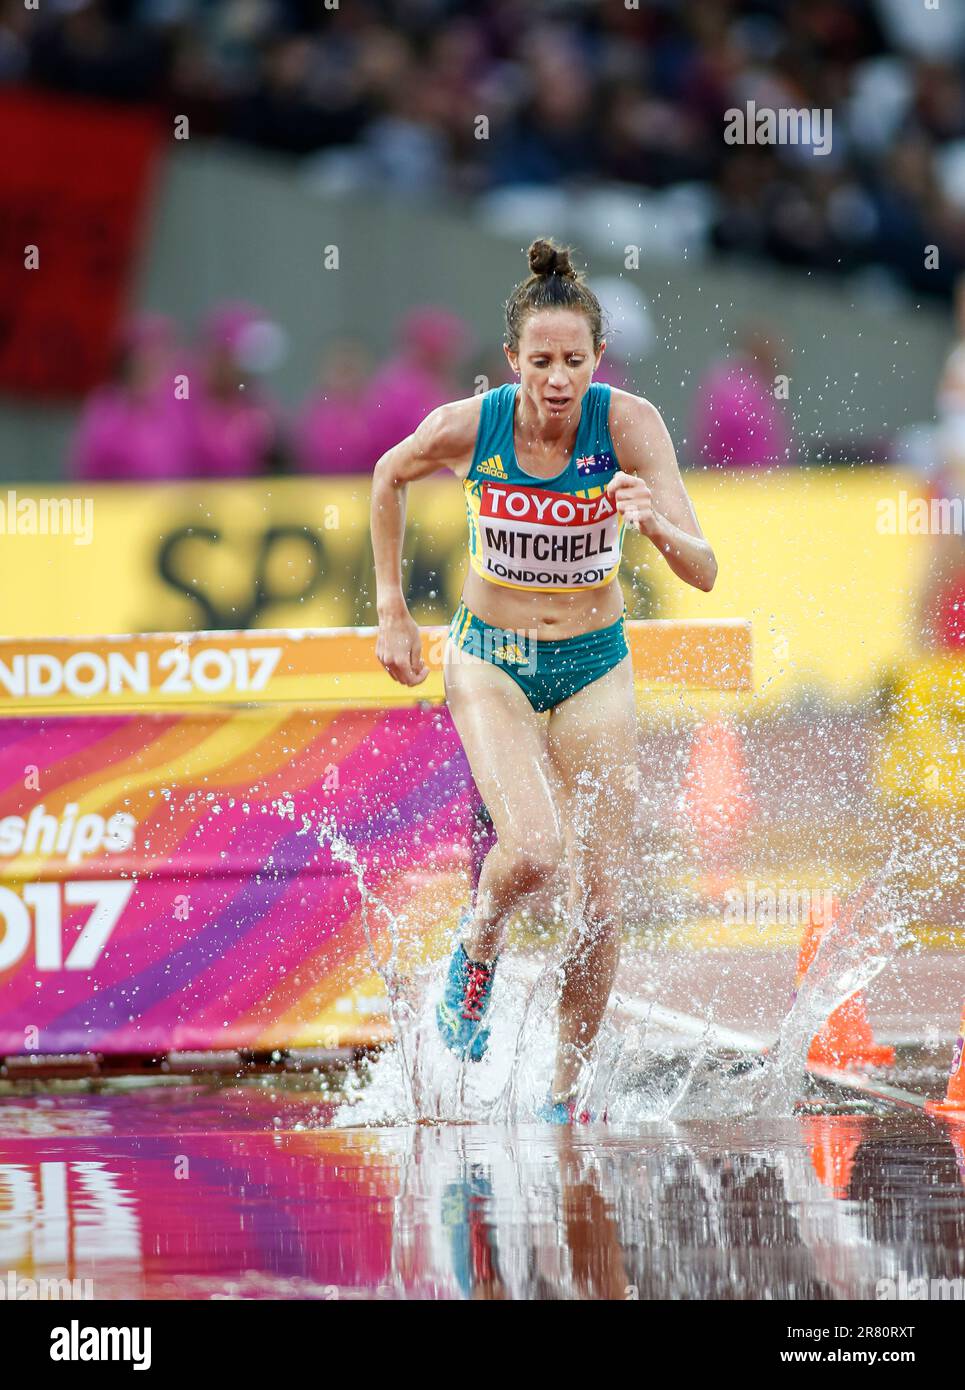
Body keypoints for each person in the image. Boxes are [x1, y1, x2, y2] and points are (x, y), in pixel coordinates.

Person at [370, 238, 717, 1122]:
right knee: (532, 850)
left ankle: (564, 1093)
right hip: (493, 660)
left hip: (594, 665)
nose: (557, 381)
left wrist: (656, 528)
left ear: (597, 360)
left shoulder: (629, 424)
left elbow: (705, 568)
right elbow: (388, 475)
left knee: (600, 903)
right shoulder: (471, 424)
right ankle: (477, 944)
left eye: (573, 361)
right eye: (540, 362)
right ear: (511, 361)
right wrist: (392, 609)